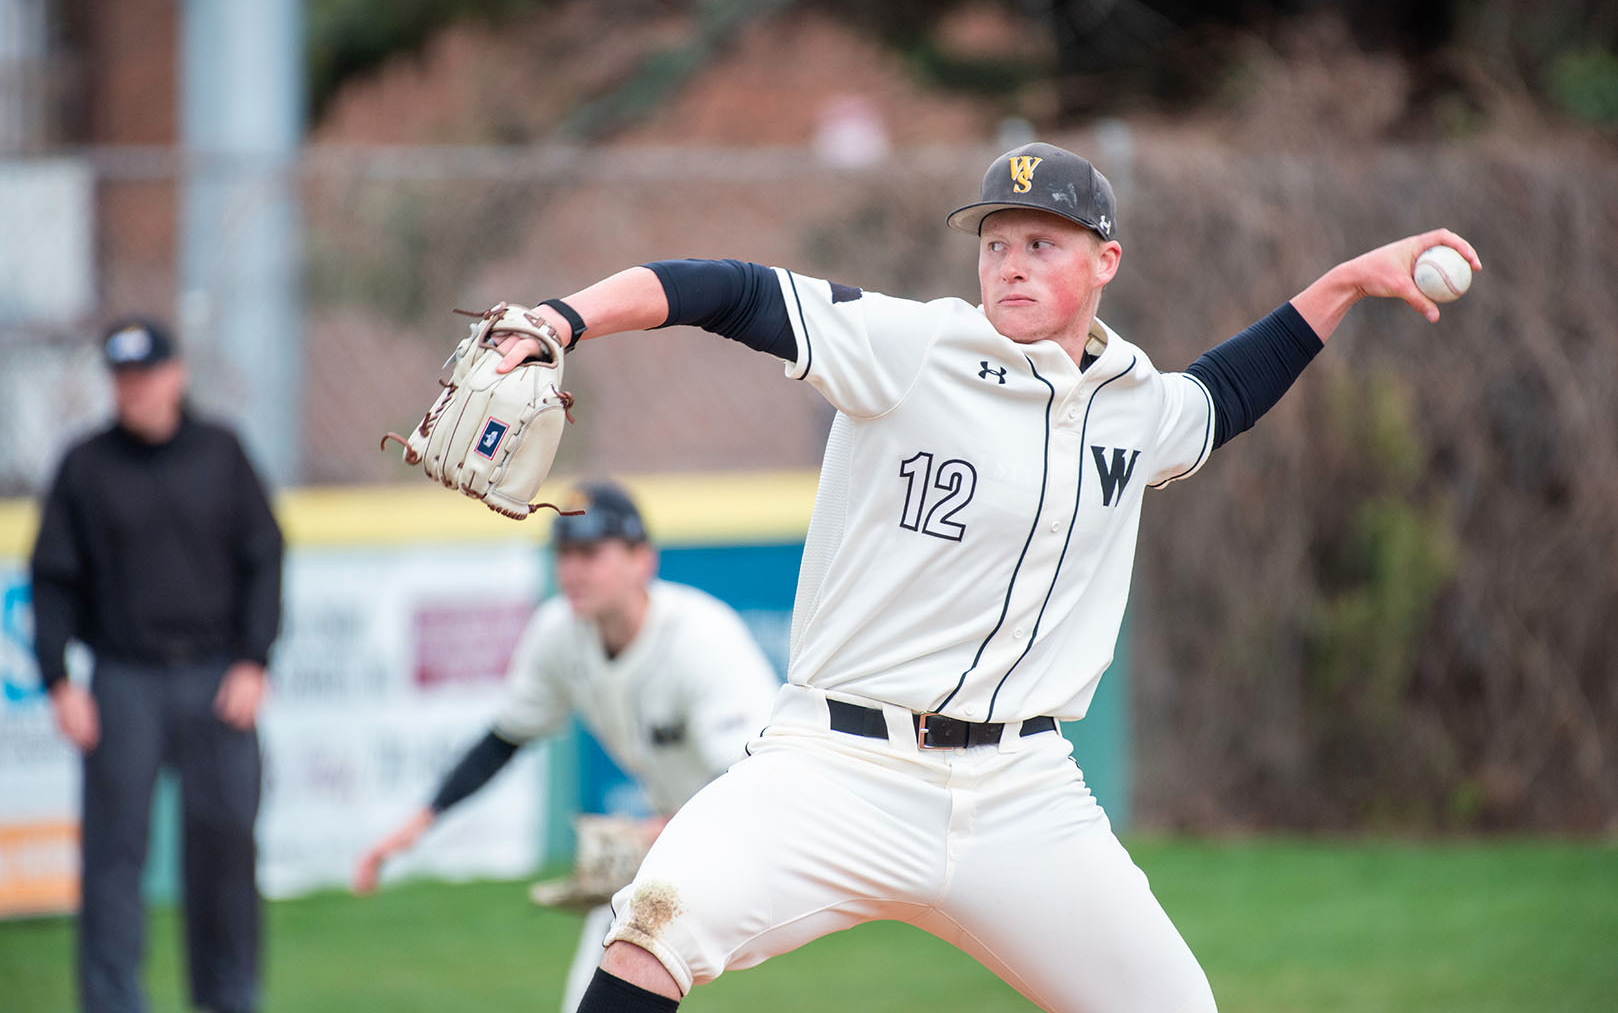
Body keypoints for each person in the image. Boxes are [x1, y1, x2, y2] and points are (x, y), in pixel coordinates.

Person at [486, 142, 1481, 1013]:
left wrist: (1344, 284)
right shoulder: (913, 347)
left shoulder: (1130, 403)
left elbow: (1223, 395)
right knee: (650, 929)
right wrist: (566, 319)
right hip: (838, 766)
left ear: (1105, 263)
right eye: (994, 242)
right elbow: (730, 290)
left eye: (1040, 243)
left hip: (1021, 793)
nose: (1009, 263)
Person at [352, 481, 780, 1013]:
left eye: (591, 551)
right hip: (680, 835)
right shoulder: (560, 632)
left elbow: (759, 775)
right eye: (564, 552)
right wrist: (416, 824)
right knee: (615, 958)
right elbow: (505, 738)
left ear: (641, 559)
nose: (572, 569)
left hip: (762, 833)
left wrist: (657, 832)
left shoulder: (701, 638)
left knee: (627, 952)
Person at [30, 317, 284, 1013]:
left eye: (146, 376)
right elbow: (51, 580)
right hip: (123, 678)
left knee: (225, 852)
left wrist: (254, 661)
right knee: (114, 860)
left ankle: (229, 999)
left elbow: (264, 558)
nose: (134, 390)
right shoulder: (84, 465)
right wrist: (58, 679)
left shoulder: (221, 451)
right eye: (122, 378)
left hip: (215, 677)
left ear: (176, 376)